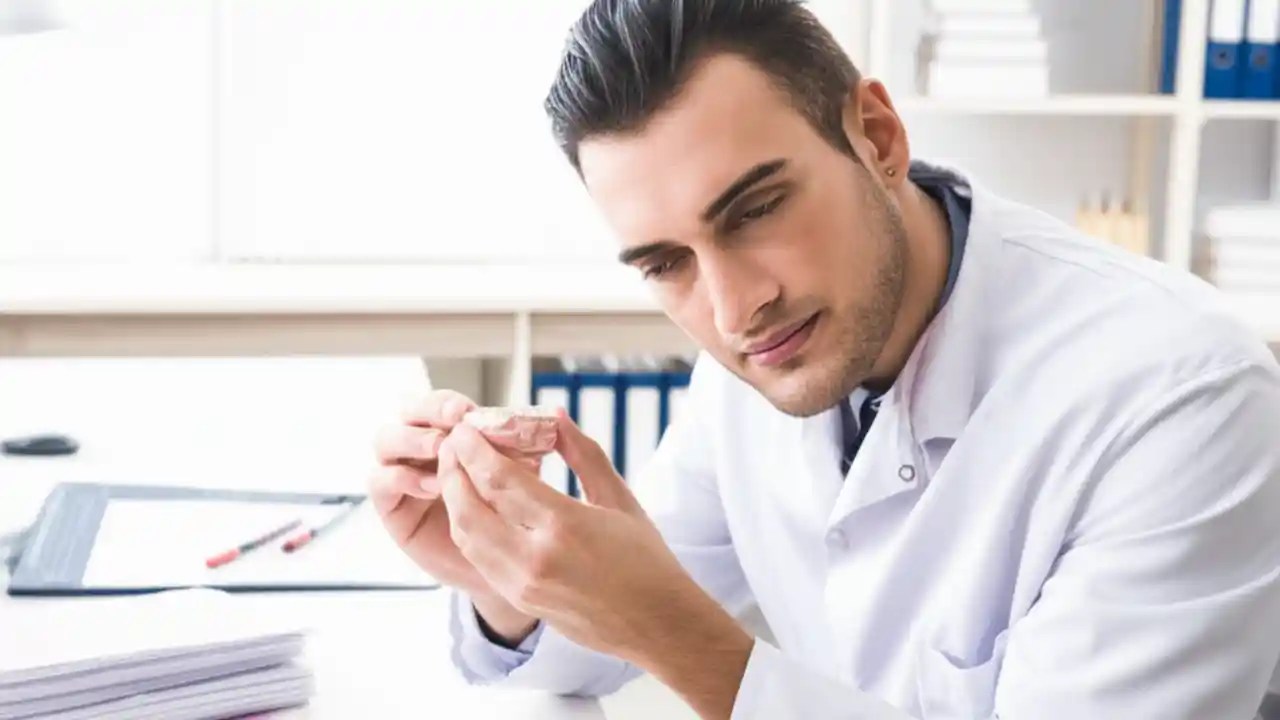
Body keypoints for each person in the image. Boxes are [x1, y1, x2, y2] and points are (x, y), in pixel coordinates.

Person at [369, 1, 1280, 717]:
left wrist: (687, 643)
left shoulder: (1183, 398)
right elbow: (604, 639)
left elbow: (659, 620)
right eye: (666, 263)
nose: (732, 308)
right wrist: (502, 576)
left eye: (755, 209)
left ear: (877, 138)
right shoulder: (763, 353)